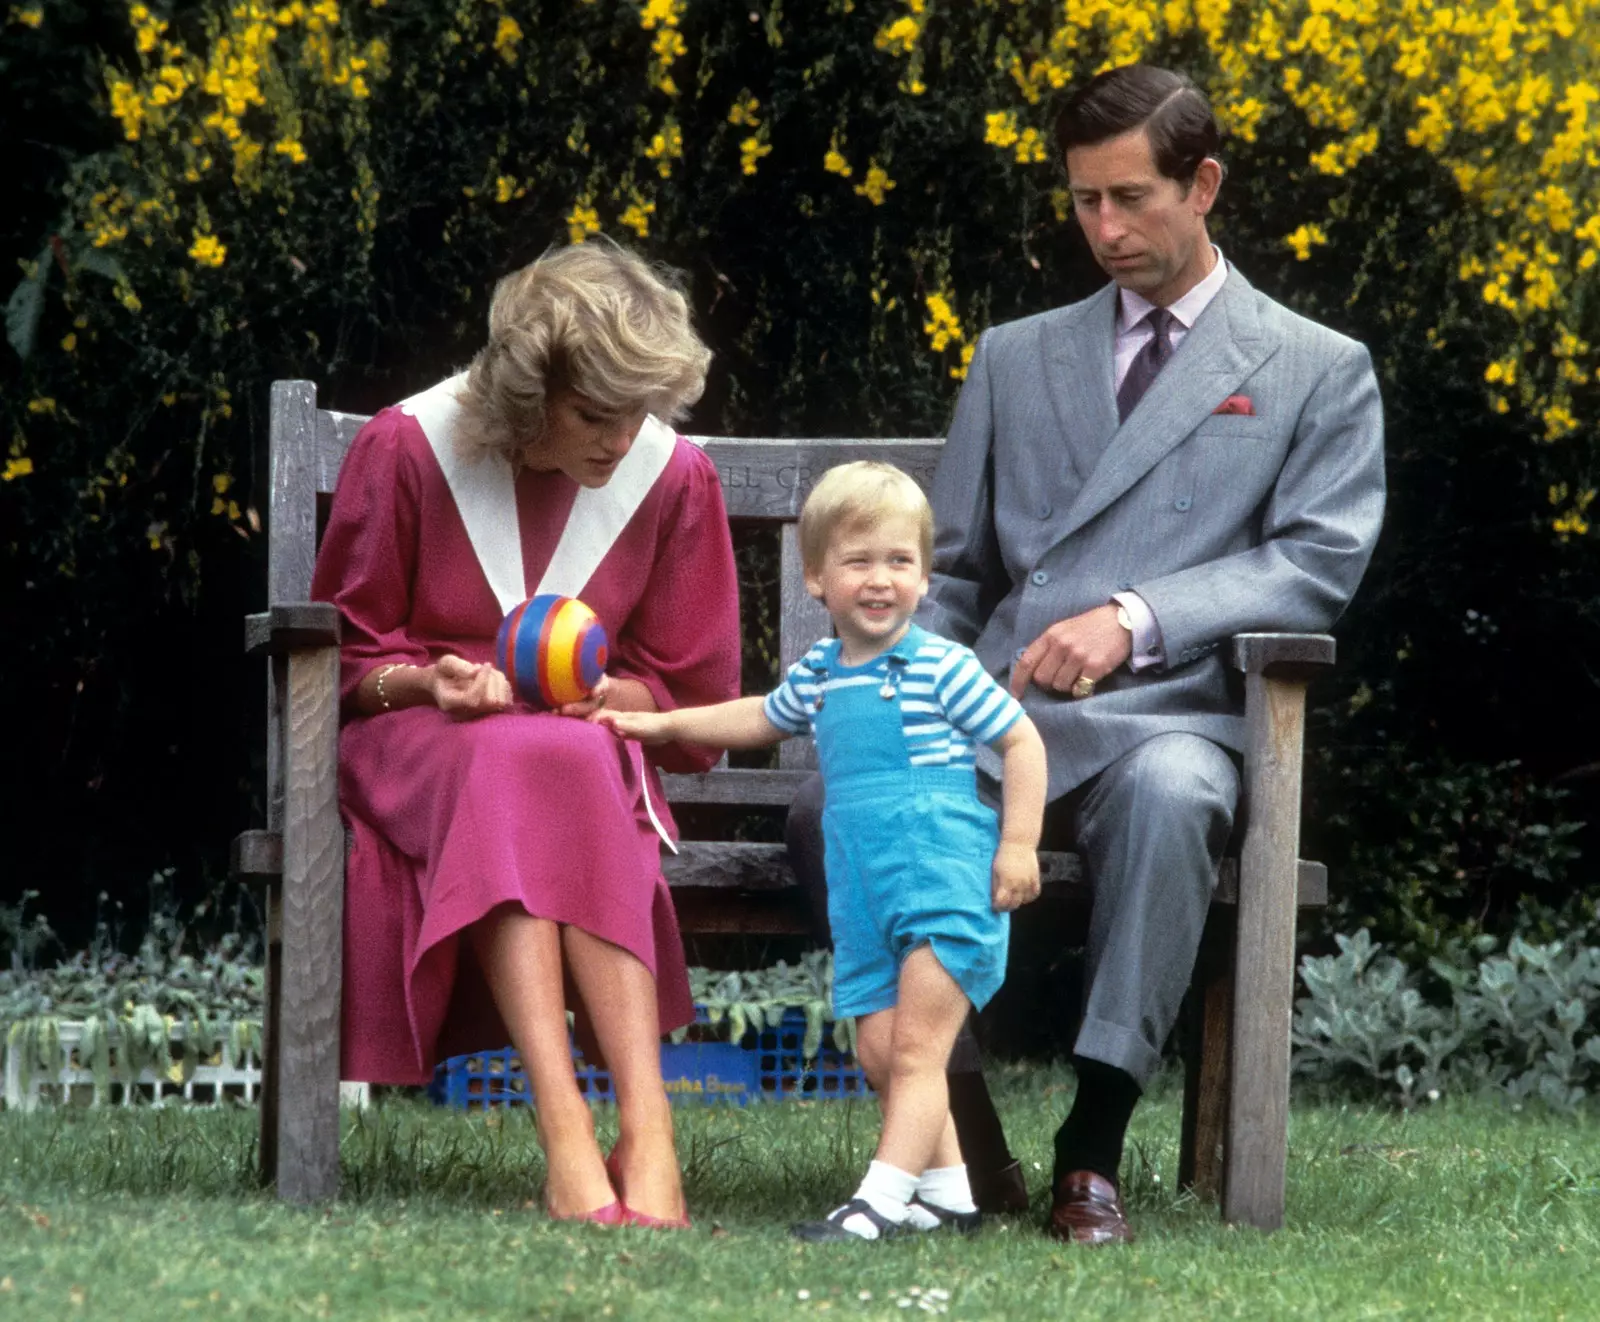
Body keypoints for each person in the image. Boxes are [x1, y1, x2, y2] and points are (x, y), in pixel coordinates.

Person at [787, 63, 1386, 1244]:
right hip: (992, 709)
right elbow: (950, 571)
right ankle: (959, 1137)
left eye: (1131, 198)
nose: (1104, 230)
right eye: (1081, 202)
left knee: (1171, 797)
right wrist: (906, 689)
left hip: (1176, 716)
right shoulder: (1017, 355)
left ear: (1203, 183)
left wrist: (1135, 615)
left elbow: (1316, 560)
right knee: (825, 808)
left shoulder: (1317, 365)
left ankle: (1091, 1145)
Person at [311, 239, 741, 1228]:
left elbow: (689, 691)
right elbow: (345, 662)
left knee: (558, 750)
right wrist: (428, 678)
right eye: (594, 413)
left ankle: (645, 1127)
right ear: (526, 393)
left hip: (581, 747)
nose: (619, 439)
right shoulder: (410, 445)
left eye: (639, 412)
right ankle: (567, 1131)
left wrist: (606, 694)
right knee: (528, 756)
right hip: (422, 734)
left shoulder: (669, 478)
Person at [600, 461, 1048, 1242]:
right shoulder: (821, 673)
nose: (881, 581)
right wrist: (664, 726)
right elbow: (757, 718)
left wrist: (1017, 845)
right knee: (880, 1049)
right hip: (865, 887)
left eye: (900, 562)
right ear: (817, 579)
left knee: (915, 1049)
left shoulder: (940, 666)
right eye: (858, 562)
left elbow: (1022, 739)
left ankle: (876, 1203)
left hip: (943, 876)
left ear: (923, 575)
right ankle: (949, 1196)